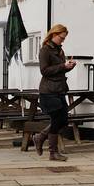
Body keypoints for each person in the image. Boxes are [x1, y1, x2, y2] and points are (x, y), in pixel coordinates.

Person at [33, 23, 75, 162]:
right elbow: (44, 71)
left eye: (64, 38)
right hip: (48, 90)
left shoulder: (60, 50)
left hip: (60, 89)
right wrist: (62, 65)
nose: (63, 40)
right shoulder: (45, 50)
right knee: (57, 119)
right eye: (61, 38)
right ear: (54, 35)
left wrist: (68, 67)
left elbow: (59, 70)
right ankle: (53, 152)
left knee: (63, 120)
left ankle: (40, 137)